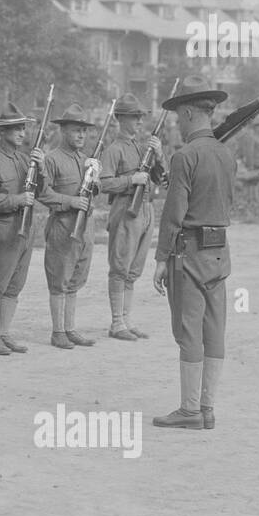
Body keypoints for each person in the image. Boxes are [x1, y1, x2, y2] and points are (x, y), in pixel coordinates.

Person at [152, 76, 236, 431]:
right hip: (219, 253)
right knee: (214, 331)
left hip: (188, 253)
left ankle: (189, 410)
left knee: (188, 331)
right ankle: (207, 407)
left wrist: (159, 259)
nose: (176, 122)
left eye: (177, 116)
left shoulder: (185, 155)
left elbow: (174, 213)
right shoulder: (225, 154)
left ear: (188, 113)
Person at [0, 103, 44, 354]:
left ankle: (4, 333)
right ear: (2, 132)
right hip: (3, 229)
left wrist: (41, 166)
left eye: (23, 128)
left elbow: (41, 191)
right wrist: (16, 200)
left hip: (25, 229)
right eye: (15, 129)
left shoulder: (27, 160)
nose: (21, 133)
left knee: (14, 286)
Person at [97, 93, 163, 341]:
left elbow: (160, 178)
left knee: (133, 270)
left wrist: (159, 155)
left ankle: (126, 320)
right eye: (134, 117)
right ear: (120, 119)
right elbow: (103, 184)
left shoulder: (141, 146)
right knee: (120, 267)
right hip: (126, 210)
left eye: (140, 117)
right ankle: (116, 323)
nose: (139, 121)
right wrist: (130, 180)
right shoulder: (114, 149)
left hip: (145, 209)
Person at [36, 104, 99, 349]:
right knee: (59, 281)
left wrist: (95, 178)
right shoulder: (52, 159)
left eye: (84, 131)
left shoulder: (86, 160)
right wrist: (70, 201)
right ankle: (58, 331)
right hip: (63, 226)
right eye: (76, 130)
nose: (81, 135)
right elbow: (43, 193)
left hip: (85, 228)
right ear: (63, 131)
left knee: (75, 280)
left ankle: (70, 329)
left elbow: (94, 192)